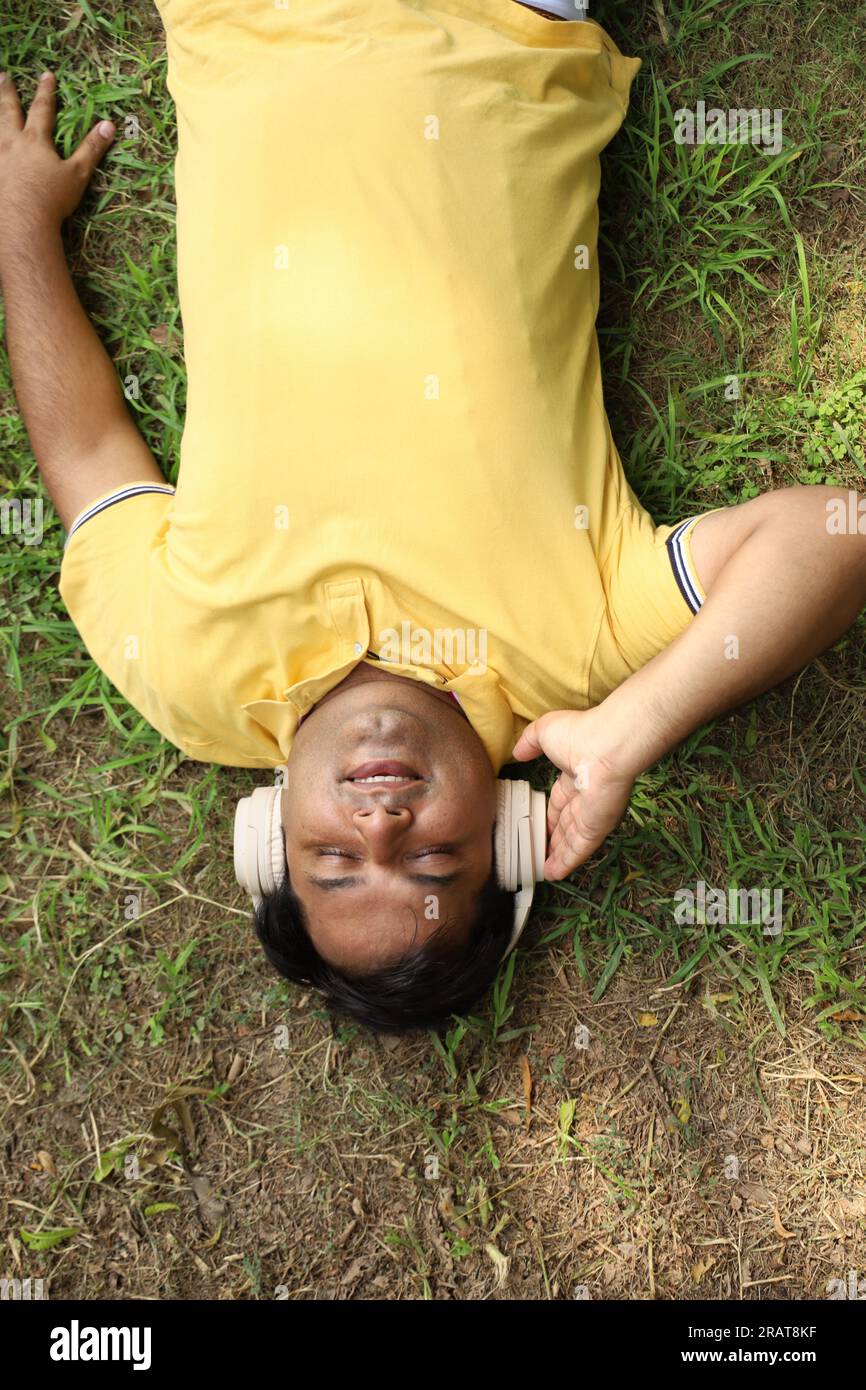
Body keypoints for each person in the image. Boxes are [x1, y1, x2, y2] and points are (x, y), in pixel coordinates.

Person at [1, 2, 864, 1033]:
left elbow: (90, 448)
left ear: (271, 832)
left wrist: (18, 231)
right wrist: (630, 731)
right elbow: (834, 533)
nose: (380, 820)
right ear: (507, 825)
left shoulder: (185, 672)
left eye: (333, 859)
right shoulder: (580, 652)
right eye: (430, 858)